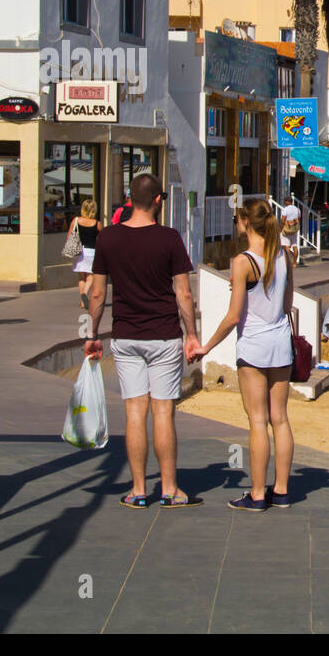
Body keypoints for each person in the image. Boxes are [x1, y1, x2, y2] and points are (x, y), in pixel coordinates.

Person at [84, 173, 202, 509]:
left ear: (129, 200)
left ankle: (137, 490)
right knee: (163, 411)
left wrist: (93, 334)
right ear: (158, 201)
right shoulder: (169, 238)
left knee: (134, 411)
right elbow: (183, 293)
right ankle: (169, 489)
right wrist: (191, 335)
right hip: (163, 335)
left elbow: (96, 291)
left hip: (126, 335)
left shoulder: (108, 238)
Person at [197, 199, 296, 512]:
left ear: (246, 223)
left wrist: (206, 346)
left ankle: (256, 494)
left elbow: (233, 316)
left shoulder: (242, 262)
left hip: (253, 346)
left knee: (257, 421)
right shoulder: (283, 254)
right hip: (281, 343)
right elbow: (287, 302)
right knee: (280, 419)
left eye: (237, 220)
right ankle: (281, 491)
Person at [70, 199, 104, 310]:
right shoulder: (97, 223)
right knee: (91, 277)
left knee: (81, 278)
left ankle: (83, 302)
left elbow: (69, 235)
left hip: (79, 251)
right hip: (91, 252)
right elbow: (103, 238)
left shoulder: (76, 221)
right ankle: (84, 293)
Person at [280, 200, 302, 267]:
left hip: (286, 229)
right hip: (294, 229)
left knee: (286, 246)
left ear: (286, 202)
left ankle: (288, 261)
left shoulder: (285, 209)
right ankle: (294, 263)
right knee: (294, 246)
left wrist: (281, 229)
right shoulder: (297, 209)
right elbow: (298, 219)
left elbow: (283, 220)